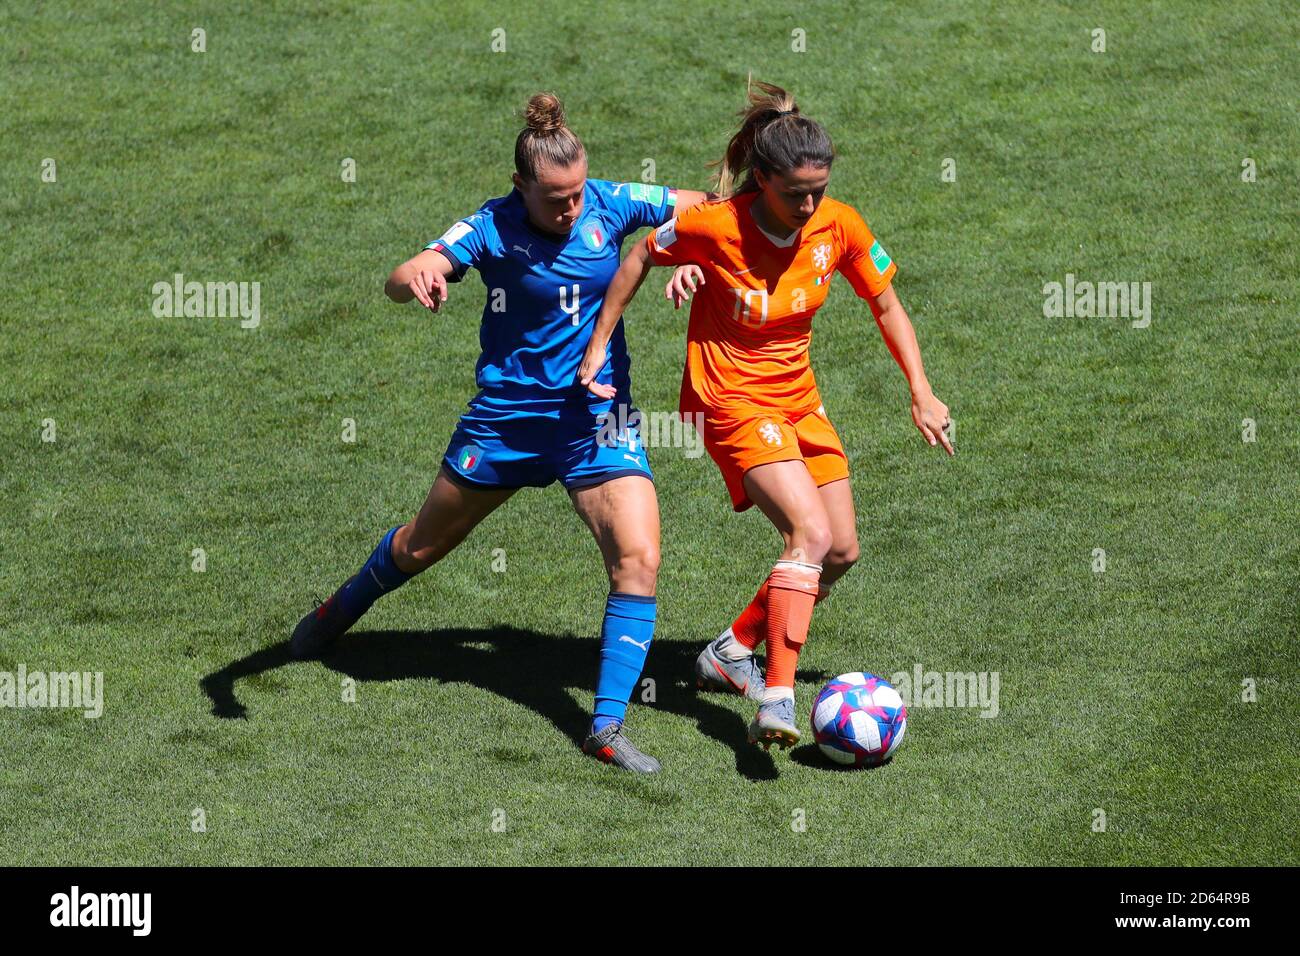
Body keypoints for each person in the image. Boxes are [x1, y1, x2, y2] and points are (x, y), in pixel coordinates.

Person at [291, 92, 713, 772]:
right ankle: (334, 614)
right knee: (420, 547)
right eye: (555, 199)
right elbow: (401, 277)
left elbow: (712, 209)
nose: (571, 209)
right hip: (506, 423)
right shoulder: (489, 226)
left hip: (597, 419)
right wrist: (419, 277)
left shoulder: (611, 202)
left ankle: (605, 726)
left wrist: (689, 249)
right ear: (520, 185)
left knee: (639, 558)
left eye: (577, 194)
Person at [577, 81, 953, 750]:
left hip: (798, 399)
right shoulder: (716, 223)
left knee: (841, 550)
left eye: (818, 191)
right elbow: (640, 254)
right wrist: (600, 342)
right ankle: (777, 696)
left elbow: (887, 304)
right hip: (728, 399)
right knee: (808, 532)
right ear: (764, 180)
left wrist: (920, 390)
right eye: (795, 194)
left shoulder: (839, 225)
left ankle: (731, 651)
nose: (809, 206)